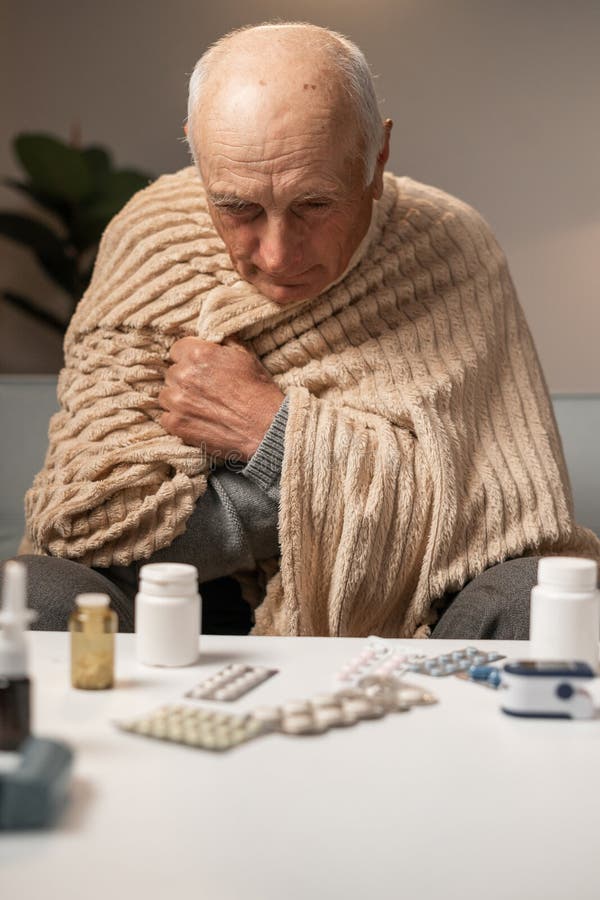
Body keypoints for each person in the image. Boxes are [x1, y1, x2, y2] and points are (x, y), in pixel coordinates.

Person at [6, 21, 600, 638]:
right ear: (195, 151)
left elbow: (502, 519)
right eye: (236, 208)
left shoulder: (450, 245)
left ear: (378, 157)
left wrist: (273, 434)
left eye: (315, 204)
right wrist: (356, 476)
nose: (276, 255)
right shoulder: (150, 232)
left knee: (538, 595)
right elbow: (86, 525)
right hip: (173, 606)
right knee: (42, 593)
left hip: (413, 614)